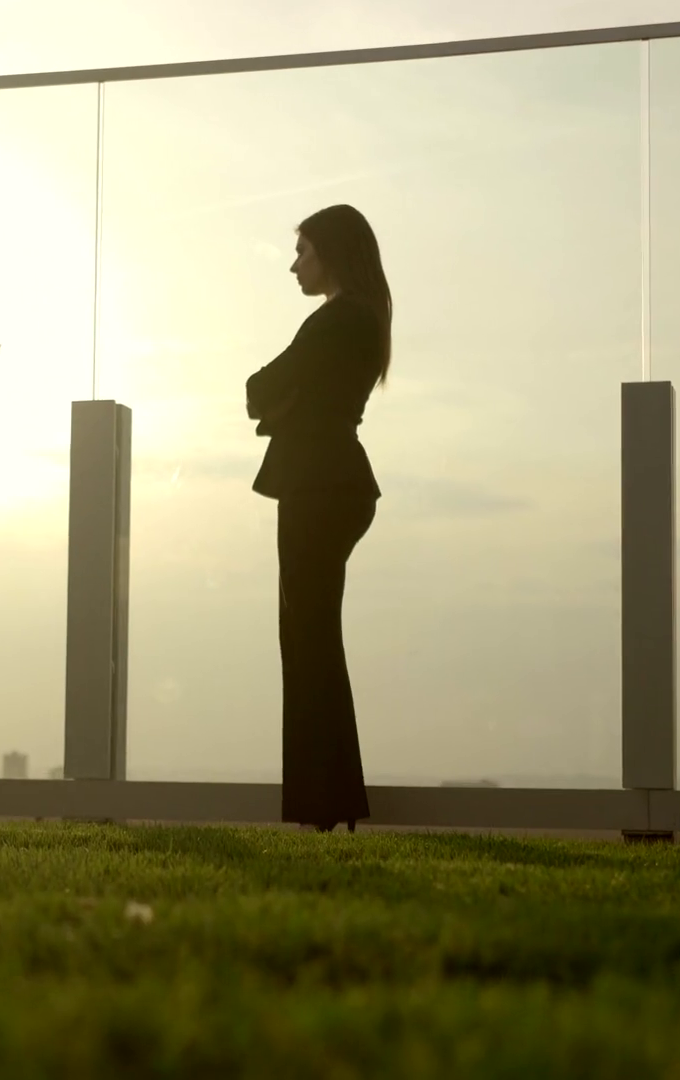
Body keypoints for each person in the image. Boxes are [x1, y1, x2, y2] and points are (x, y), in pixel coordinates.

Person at [244, 204, 392, 834]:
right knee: (312, 638)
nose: (294, 263)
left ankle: (322, 805)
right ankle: (328, 802)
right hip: (333, 481)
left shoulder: (335, 321)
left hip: (319, 484)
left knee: (307, 640)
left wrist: (285, 402)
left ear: (331, 250)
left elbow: (259, 387)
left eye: (303, 249)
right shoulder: (360, 318)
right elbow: (276, 391)